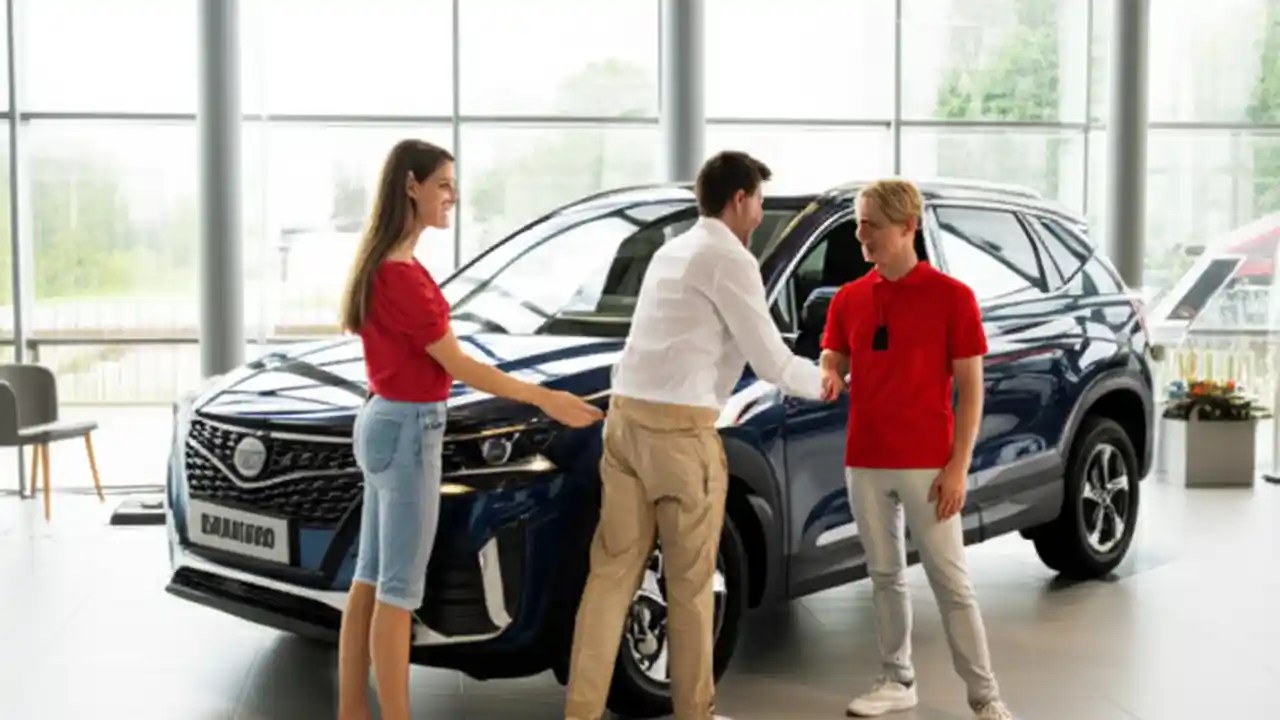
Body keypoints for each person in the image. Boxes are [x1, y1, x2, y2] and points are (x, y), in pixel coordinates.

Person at [563, 151, 838, 720]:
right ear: (740, 199)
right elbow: (771, 360)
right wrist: (828, 384)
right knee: (690, 586)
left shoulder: (671, 251)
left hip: (624, 423)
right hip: (680, 435)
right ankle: (695, 712)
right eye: (758, 200)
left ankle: (581, 712)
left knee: (610, 577)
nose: (759, 211)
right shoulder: (730, 258)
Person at [335, 139, 604, 720]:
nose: (453, 196)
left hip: (381, 420)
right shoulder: (403, 277)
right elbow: (459, 365)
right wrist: (546, 398)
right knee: (399, 591)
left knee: (369, 579)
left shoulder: (382, 266)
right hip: (408, 430)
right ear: (411, 186)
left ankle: (352, 710)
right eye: (443, 184)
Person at [818, 179, 1015, 720]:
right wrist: (830, 369)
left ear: (908, 227)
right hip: (865, 460)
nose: (861, 235)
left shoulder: (953, 298)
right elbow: (834, 353)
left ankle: (985, 696)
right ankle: (896, 679)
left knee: (951, 583)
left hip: (929, 464)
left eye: (872, 225)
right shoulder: (848, 298)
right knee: (884, 577)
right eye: (859, 223)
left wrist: (958, 466)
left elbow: (971, 389)